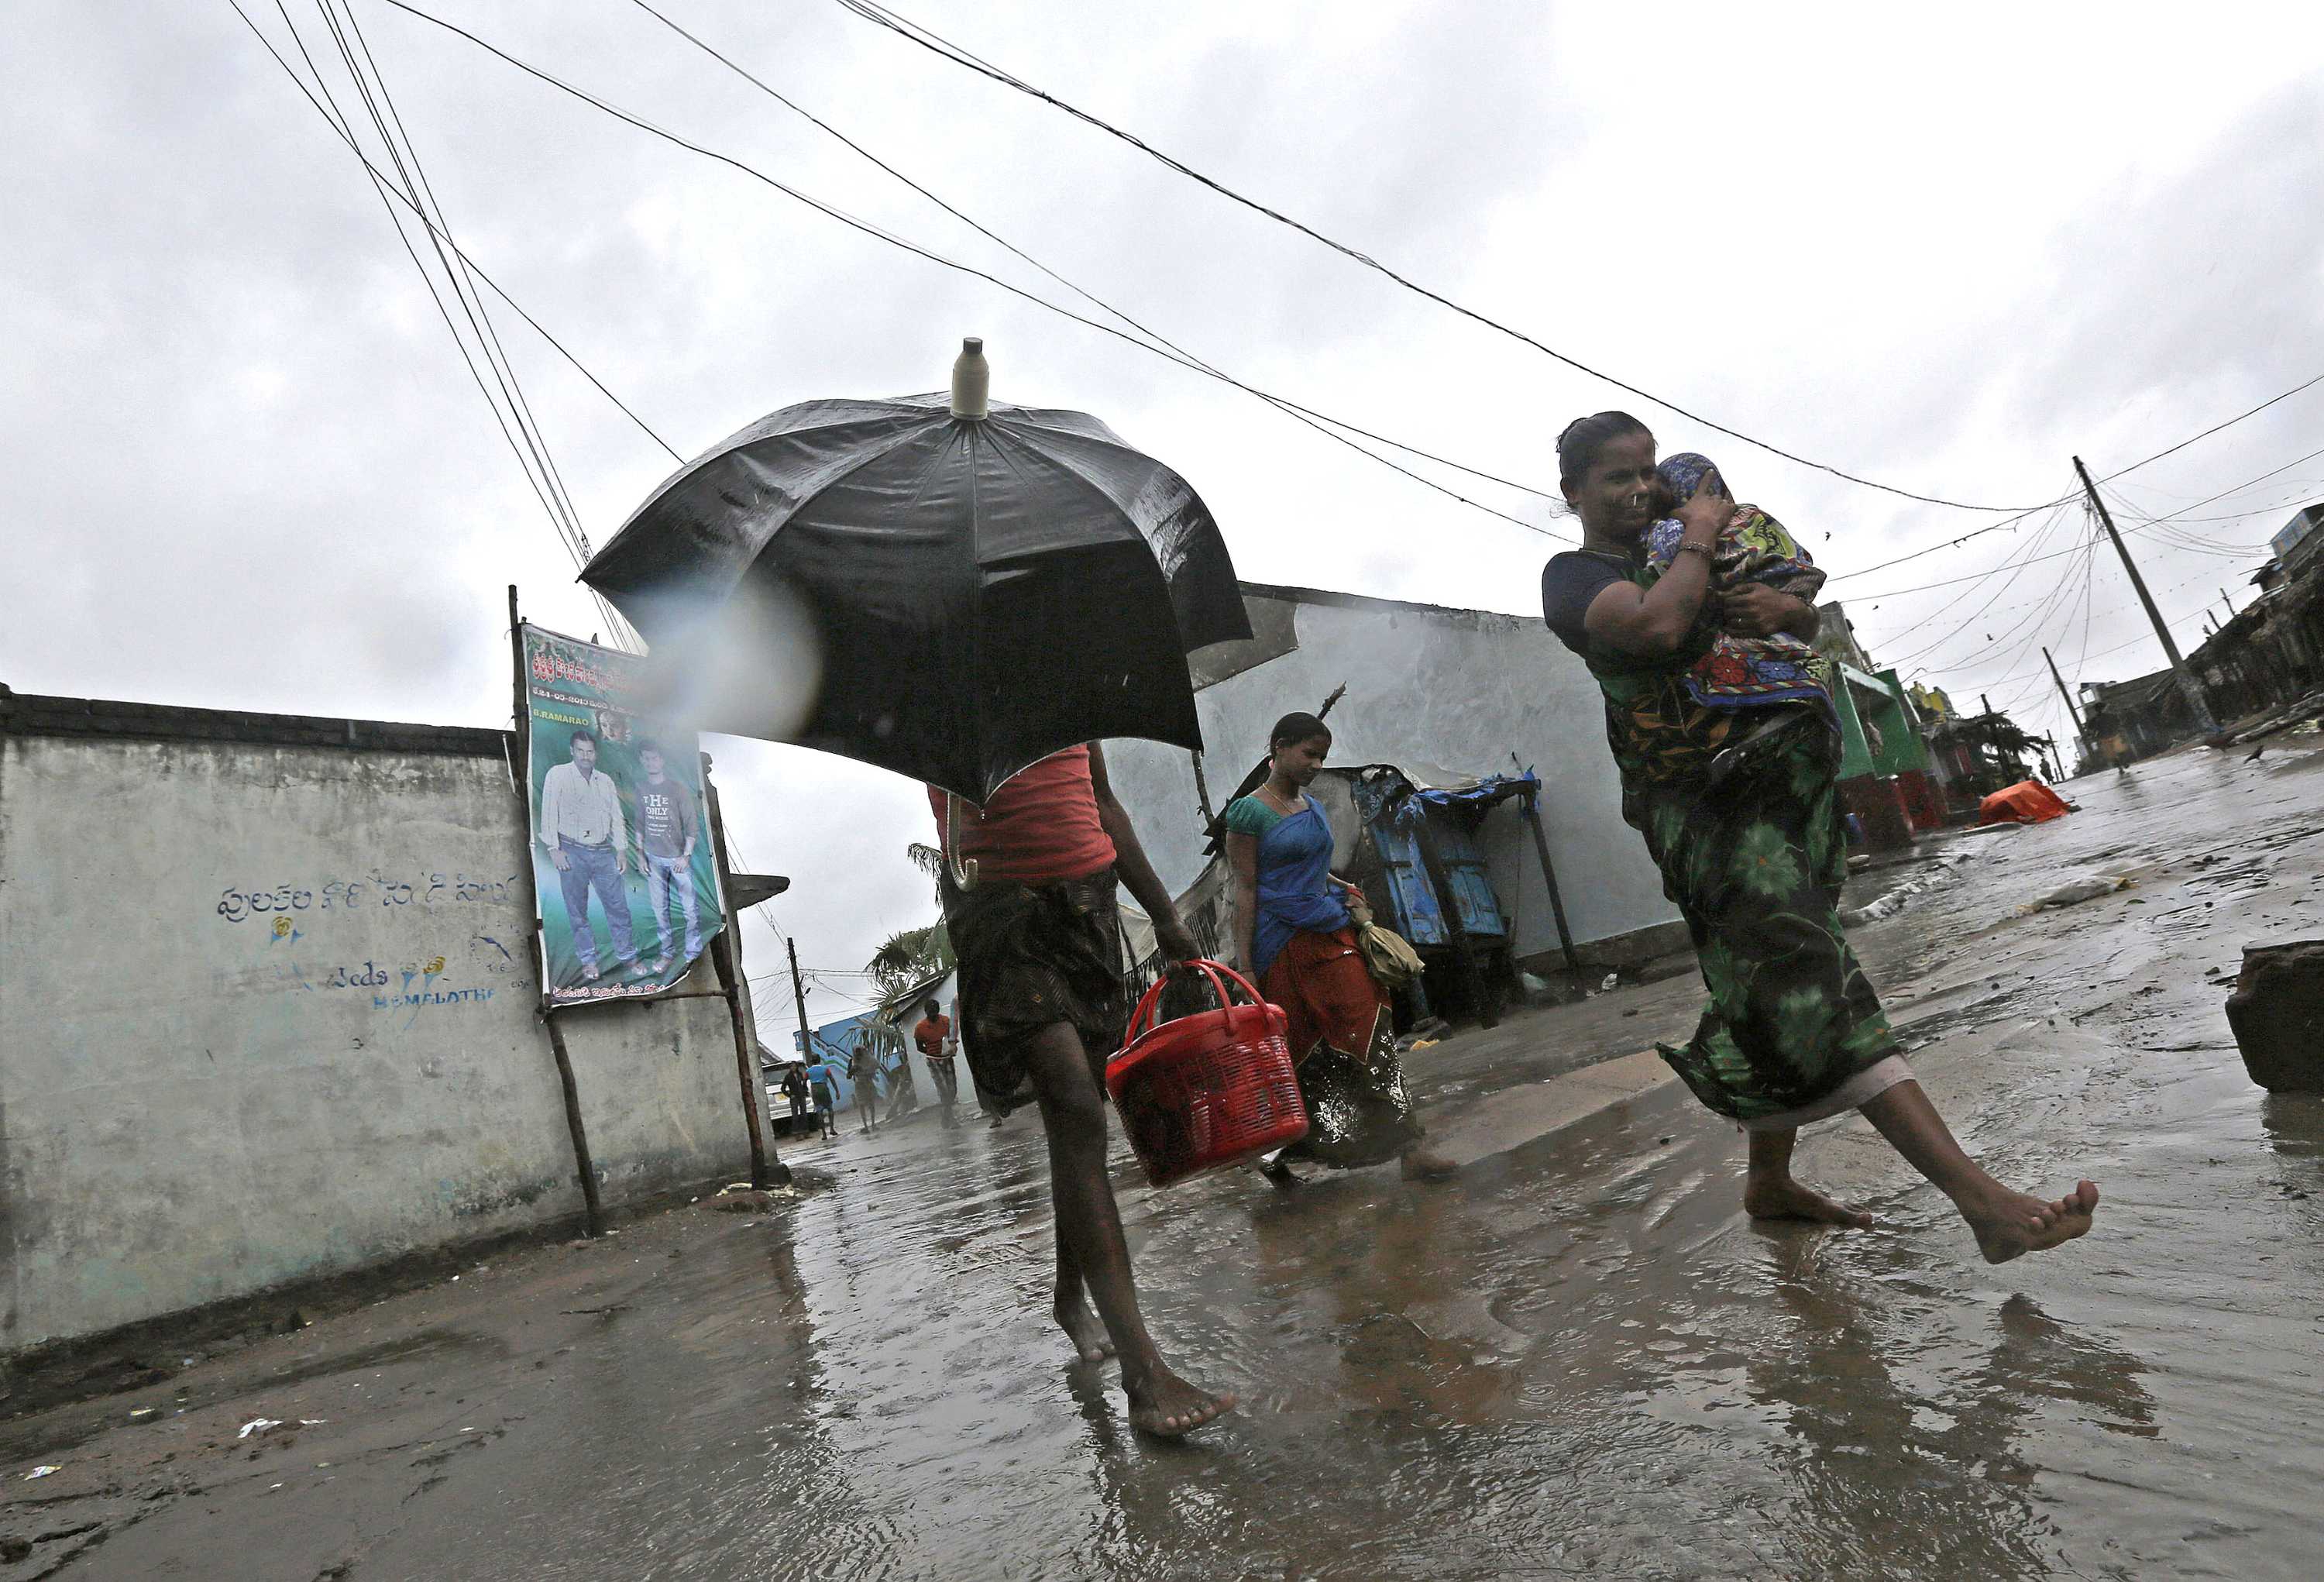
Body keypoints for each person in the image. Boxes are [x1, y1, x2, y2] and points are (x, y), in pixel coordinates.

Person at [1541, 411, 2099, 1264]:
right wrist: (1697, 530)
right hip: (1706, 813)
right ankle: (1982, 1202)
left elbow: (1789, 626)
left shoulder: (1689, 540)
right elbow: (1659, 627)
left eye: (1649, 469)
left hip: (1783, 798)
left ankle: (1769, 1182)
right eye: (1617, 475)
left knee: (1763, 976)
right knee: (1811, 975)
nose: (1641, 488)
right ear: (1573, 489)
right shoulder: (1577, 575)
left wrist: (1782, 604)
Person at [930, 743, 1234, 1437]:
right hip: (1004, 921)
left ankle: (1071, 1297)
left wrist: (1164, 914)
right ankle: (1144, 1373)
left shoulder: (1065, 696)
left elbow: (1104, 804)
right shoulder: (945, 705)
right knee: (1073, 1106)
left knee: (1081, 1123)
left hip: (1089, 912)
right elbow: (951, 831)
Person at [1223, 713, 1458, 1183]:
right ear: (1280, 746)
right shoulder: (1248, 812)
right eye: (1309, 754)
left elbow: (1311, 868)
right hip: (1281, 945)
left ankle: (1411, 1146)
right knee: (1299, 1053)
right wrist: (1246, 966)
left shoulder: (1309, 806)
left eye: (1323, 756)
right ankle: (1281, 1152)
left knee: (1371, 1030)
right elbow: (1245, 888)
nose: (1316, 764)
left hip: (1331, 932)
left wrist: (1343, 887)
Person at [535, 727, 638, 982]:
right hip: (571, 850)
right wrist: (553, 848)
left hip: (603, 851)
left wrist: (621, 849)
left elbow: (617, 816)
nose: (585, 756)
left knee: (619, 908)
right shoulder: (557, 775)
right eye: (580, 751)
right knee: (577, 911)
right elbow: (548, 811)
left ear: (596, 754)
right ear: (572, 751)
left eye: (590, 752)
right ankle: (589, 960)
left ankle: (627, 955)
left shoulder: (605, 781)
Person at [631, 740, 702, 974]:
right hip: (653, 859)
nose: (651, 762)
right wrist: (641, 856)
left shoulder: (677, 789)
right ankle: (667, 954)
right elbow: (639, 824)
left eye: (655, 758)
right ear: (641, 760)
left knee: (690, 910)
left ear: (662, 760)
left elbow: (691, 825)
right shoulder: (641, 789)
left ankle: (692, 953)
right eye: (646, 758)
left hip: (677, 859)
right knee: (660, 910)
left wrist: (686, 856)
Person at [914, 997, 961, 1126]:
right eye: (930, 1013)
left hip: (947, 1058)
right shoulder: (920, 1027)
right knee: (944, 1089)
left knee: (952, 1088)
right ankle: (952, 1119)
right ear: (926, 1012)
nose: (933, 1015)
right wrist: (933, 1053)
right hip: (933, 1060)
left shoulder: (946, 1021)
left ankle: (946, 1114)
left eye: (935, 1012)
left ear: (938, 1011)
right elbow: (919, 1047)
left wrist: (949, 1049)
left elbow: (953, 1037)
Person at [847, 1038, 879, 1133]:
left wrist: (865, 1070)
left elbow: (877, 1065)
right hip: (860, 1085)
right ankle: (866, 1126)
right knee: (862, 1105)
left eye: (860, 1051)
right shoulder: (852, 1061)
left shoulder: (869, 1059)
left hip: (868, 1083)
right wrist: (853, 1070)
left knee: (871, 1104)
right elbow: (848, 1076)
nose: (858, 1054)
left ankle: (873, 1124)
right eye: (857, 1052)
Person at [807, 1058, 838, 1140]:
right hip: (823, 1088)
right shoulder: (825, 1069)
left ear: (811, 1062)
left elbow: (804, 1080)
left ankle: (824, 1134)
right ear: (819, 1060)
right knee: (830, 1109)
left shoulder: (808, 1071)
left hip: (815, 1089)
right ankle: (831, 1128)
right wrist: (837, 1091)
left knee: (819, 1111)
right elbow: (832, 1079)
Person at [782, 1063, 810, 1130]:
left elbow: (804, 1084)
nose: (793, 1068)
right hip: (794, 1098)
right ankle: (796, 1132)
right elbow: (783, 1088)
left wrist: (805, 1092)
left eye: (795, 1066)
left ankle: (805, 1130)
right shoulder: (788, 1076)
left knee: (804, 1114)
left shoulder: (800, 1074)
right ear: (790, 1068)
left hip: (801, 1096)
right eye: (792, 1066)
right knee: (795, 1116)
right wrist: (789, 1095)